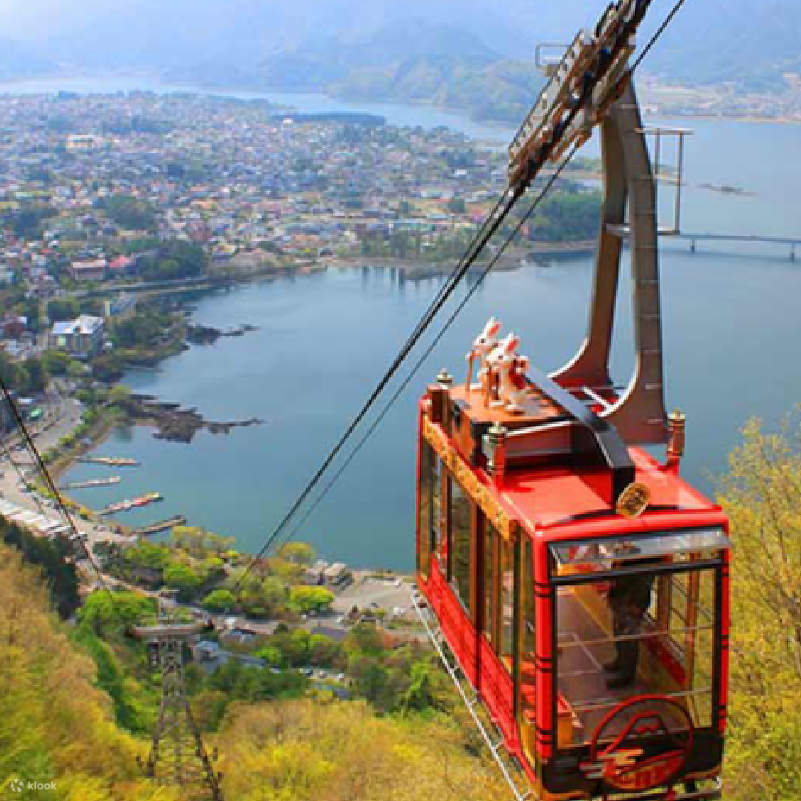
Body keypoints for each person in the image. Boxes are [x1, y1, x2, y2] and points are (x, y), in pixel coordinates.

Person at [603, 561, 658, 689]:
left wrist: (638, 603)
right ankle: (620, 660)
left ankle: (626, 674)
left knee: (629, 633)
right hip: (621, 590)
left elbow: (645, 579)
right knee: (618, 627)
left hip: (633, 597)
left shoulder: (647, 555)